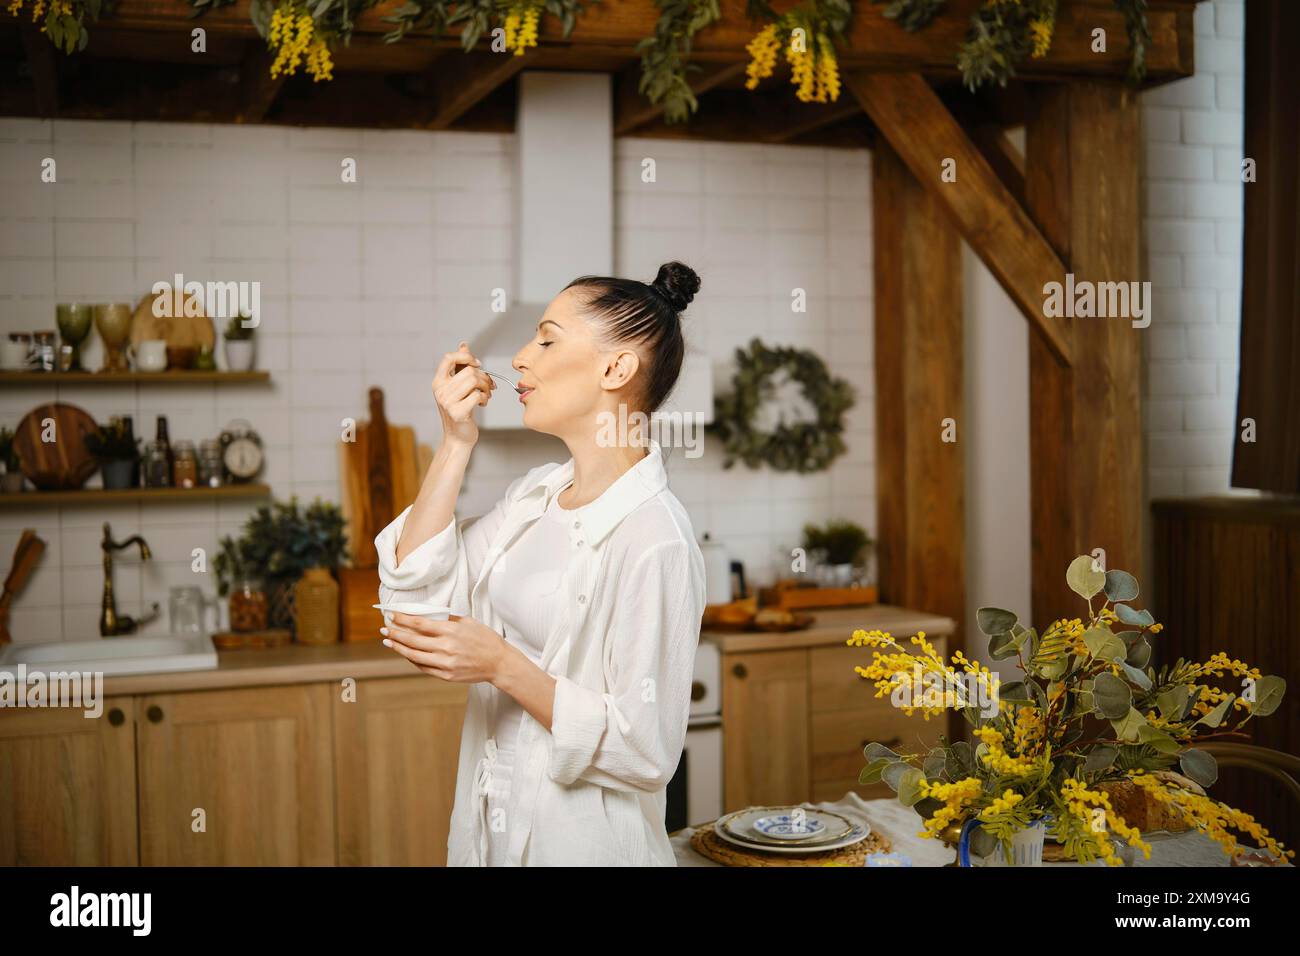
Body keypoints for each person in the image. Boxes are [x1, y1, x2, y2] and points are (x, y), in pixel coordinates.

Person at [375, 261, 707, 866]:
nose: (521, 358)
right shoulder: (534, 499)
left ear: (616, 368)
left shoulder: (656, 537)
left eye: (547, 339)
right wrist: (455, 443)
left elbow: (648, 751)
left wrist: (502, 664)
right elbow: (414, 605)